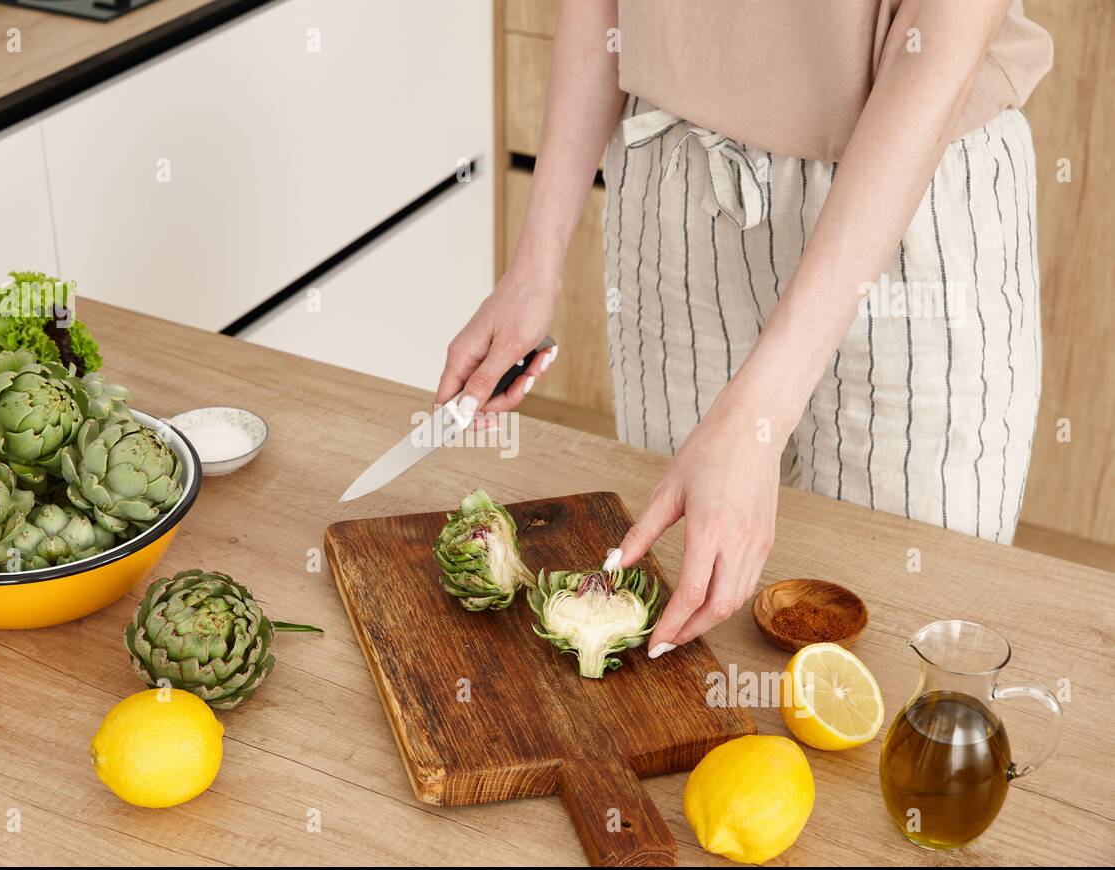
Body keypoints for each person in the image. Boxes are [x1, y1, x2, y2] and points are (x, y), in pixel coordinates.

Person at [434, 0, 1052, 656]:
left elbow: (939, 43)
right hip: (675, 189)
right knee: (688, 630)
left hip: (904, 207)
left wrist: (754, 416)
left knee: (903, 651)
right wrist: (534, 265)